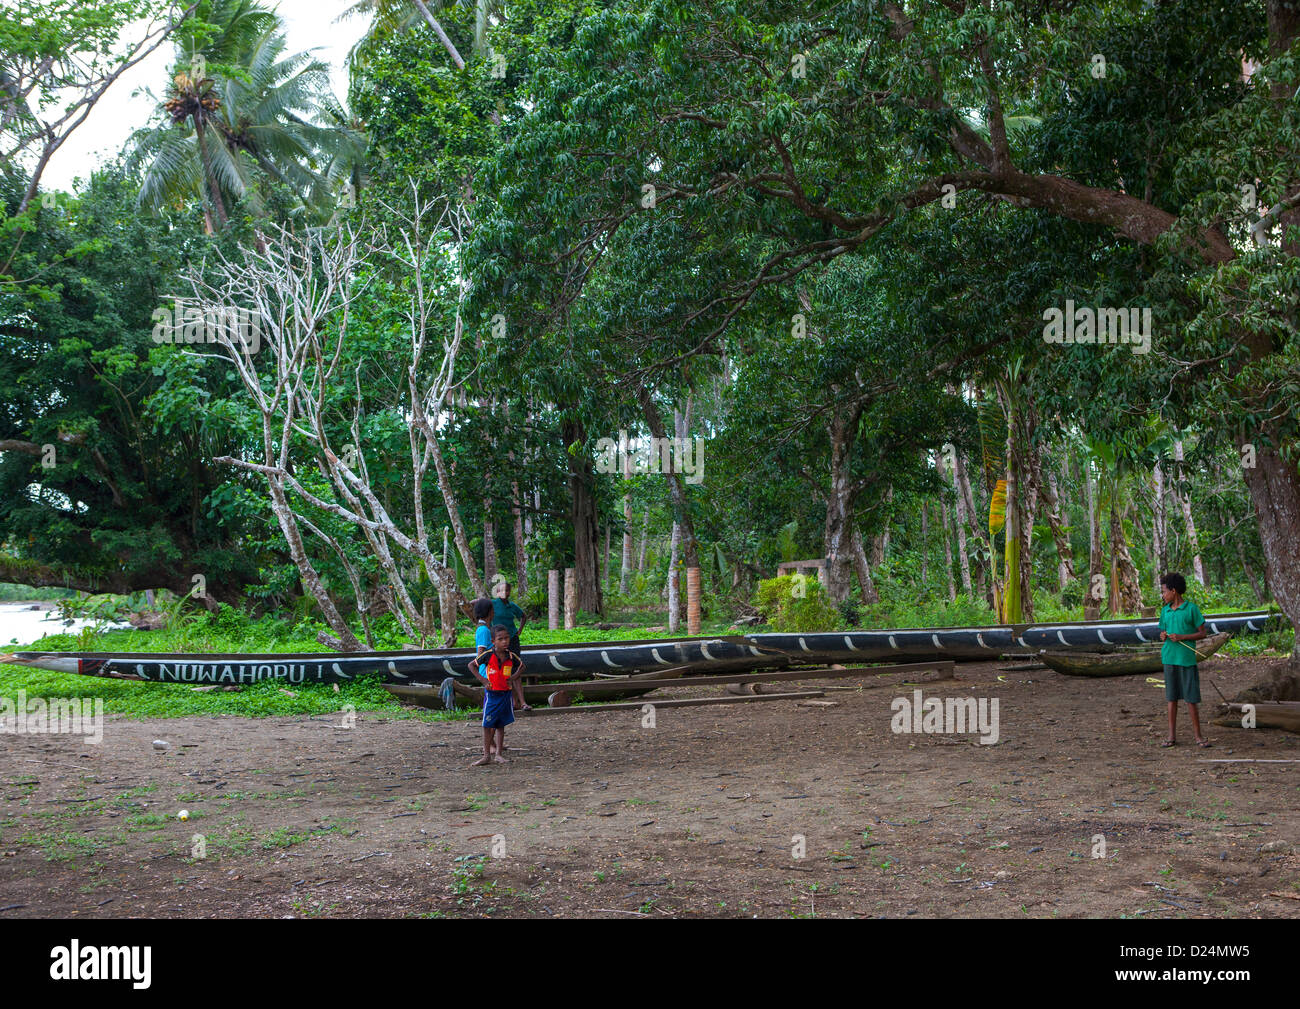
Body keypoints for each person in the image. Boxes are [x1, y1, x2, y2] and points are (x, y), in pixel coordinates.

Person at [1158, 572, 1210, 748]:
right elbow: (1162, 632)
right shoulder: (1165, 611)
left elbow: (1202, 633)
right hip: (1169, 658)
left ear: (1174, 591)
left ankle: (1198, 736)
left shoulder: (1191, 609)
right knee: (1171, 698)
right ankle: (1171, 736)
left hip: (1186, 659)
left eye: (1164, 591)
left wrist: (1181, 637)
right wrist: (1163, 635)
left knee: (1191, 699)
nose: (1163, 595)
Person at [468, 625, 529, 766]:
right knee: (487, 724)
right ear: (493, 641)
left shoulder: (511, 656)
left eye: (506, 638)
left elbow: (522, 667)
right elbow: (471, 665)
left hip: (506, 695)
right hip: (492, 695)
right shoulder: (488, 655)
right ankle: (486, 755)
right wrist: (483, 680)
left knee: (501, 724)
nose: (504, 642)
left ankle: (499, 754)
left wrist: (513, 677)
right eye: (500, 639)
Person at [492, 581, 527, 658]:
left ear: (509, 592)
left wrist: (520, 629)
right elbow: (478, 604)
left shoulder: (512, 605)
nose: (504, 592)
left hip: (512, 638)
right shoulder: (492, 603)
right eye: (501, 590)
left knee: (515, 660)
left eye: (507, 590)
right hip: (498, 638)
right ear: (498, 592)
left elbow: (523, 616)